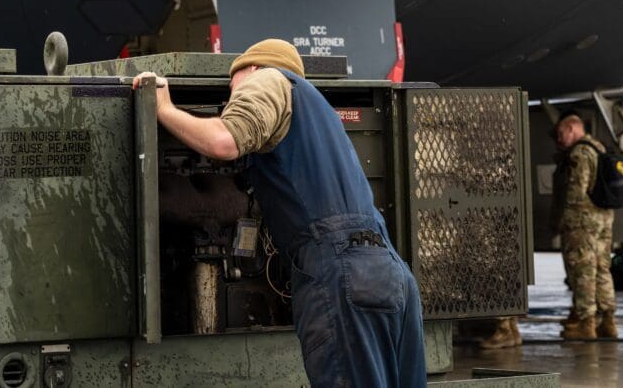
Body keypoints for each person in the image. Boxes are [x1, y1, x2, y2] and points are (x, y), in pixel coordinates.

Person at [133, 39, 426, 387]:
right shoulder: (318, 114)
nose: (230, 100)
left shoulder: (267, 79)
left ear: (251, 68)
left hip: (341, 271)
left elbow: (223, 142)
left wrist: (163, 109)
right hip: (391, 272)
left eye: (232, 88)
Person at [552, 113, 618, 340]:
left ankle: (586, 322)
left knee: (583, 271)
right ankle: (608, 320)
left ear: (572, 129)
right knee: (601, 268)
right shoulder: (599, 147)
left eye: (561, 133)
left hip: (583, 221)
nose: (559, 140)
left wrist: (565, 220)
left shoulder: (580, 153)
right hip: (604, 218)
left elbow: (576, 192)